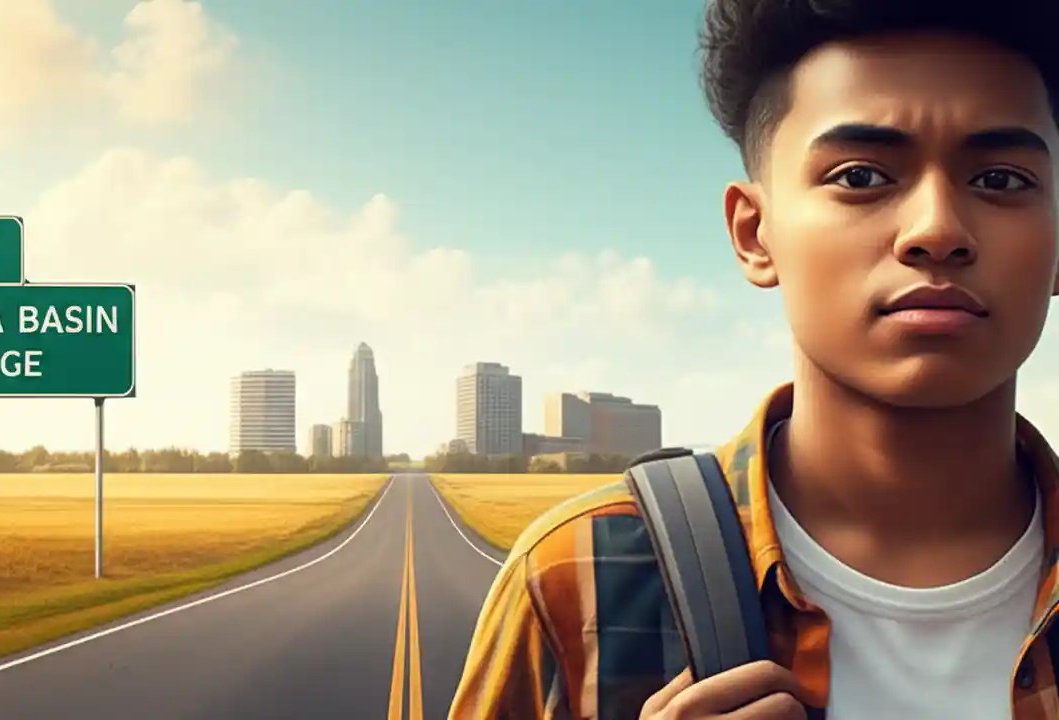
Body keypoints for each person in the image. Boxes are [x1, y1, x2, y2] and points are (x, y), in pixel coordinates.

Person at [447, 1, 1059, 718]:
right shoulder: (573, 578)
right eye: (861, 177)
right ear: (754, 233)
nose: (936, 230)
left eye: (1001, 181)